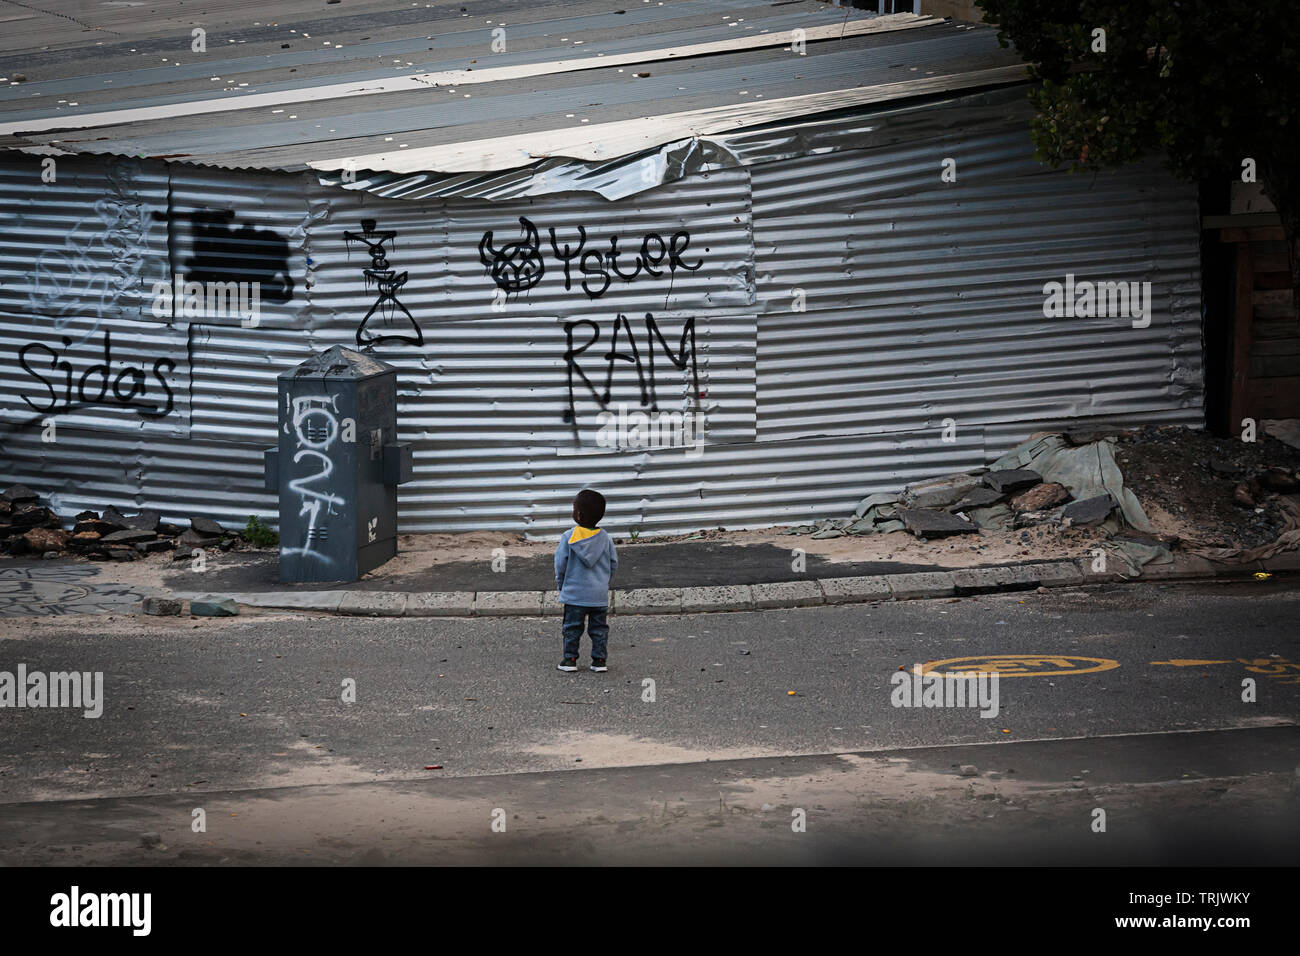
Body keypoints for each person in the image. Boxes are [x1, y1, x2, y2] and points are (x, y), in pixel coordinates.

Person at [554, 489, 618, 672]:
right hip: (598, 595)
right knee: (599, 629)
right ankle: (599, 661)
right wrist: (603, 583)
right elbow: (613, 563)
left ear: (578, 514)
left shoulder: (568, 538)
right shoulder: (605, 538)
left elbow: (560, 565)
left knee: (572, 628)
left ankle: (570, 660)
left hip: (574, 594)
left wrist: (562, 586)